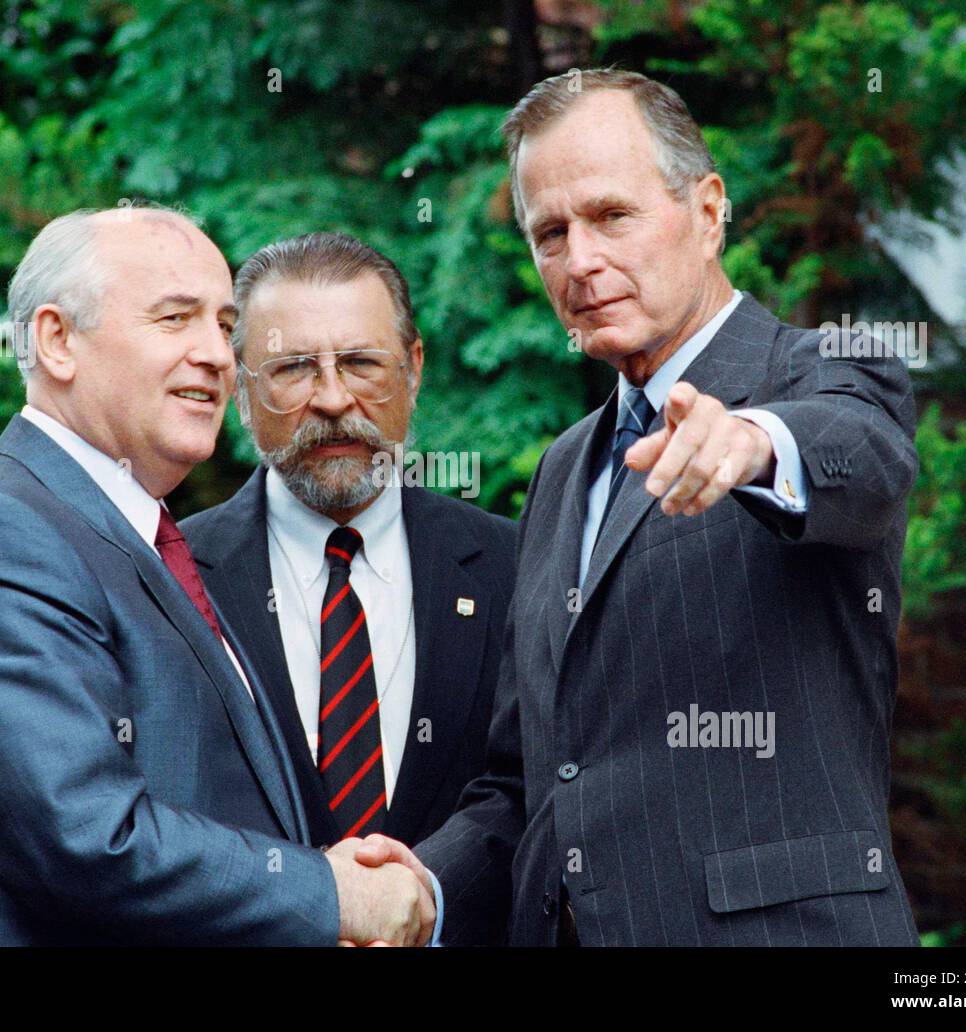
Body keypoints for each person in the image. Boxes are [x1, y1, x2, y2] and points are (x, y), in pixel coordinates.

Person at [361, 68, 921, 947]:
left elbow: (865, 454)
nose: (580, 262)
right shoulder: (563, 469)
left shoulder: (823, 371)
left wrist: (751, 443)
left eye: (611, 216)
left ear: (706, 213)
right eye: (551, 233)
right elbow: (529, 781)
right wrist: (426, 884)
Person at [0, 205, 435, 946]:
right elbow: (87, 839)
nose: (215, 353)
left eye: (223, 324)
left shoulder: (139, 537)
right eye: (175, 319)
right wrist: (330, 895)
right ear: (56, 341)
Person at [181, 233, 516, 870]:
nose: (333, 400)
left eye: (361, 363)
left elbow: (534, 789)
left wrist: (426, 900)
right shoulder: (170, 578)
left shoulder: (517, 566)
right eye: (293, 368)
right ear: (242, 389)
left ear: (413, 369)